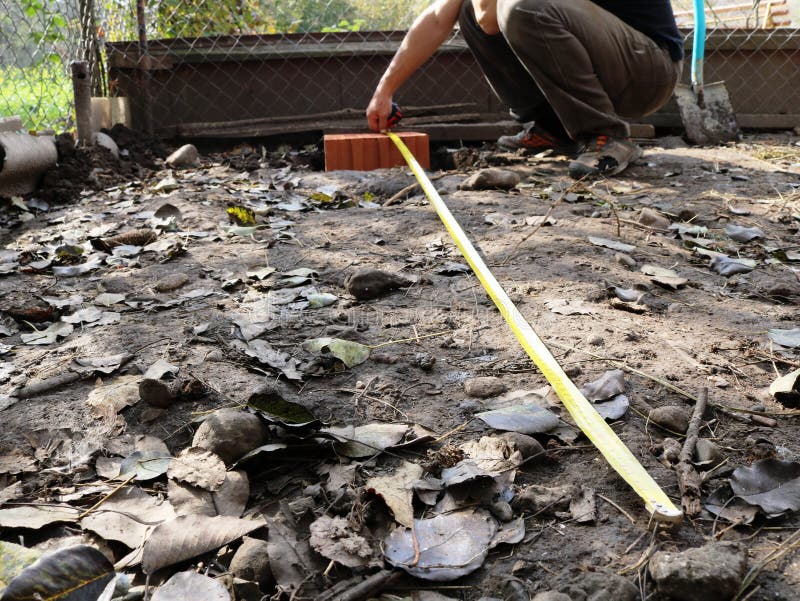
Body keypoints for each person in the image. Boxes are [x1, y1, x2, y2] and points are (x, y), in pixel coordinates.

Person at [366, 0, 684, 178]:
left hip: (648, 69)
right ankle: (551, 127)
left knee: (522, 7)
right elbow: (438, 19)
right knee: (467, 11)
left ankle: (607, 135)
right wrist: (385, 91)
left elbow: (488, 17)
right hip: (607, 61)